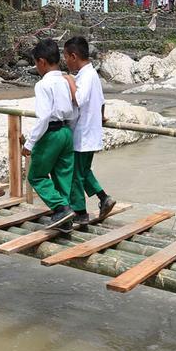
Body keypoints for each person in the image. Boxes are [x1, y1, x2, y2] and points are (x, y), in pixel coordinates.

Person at [23, 39, 77, 231]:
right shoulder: (64, 81)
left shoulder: (43, 85)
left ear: (42, 62)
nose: (36, 67)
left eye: (36, 63)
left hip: (51, 133)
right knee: (63, 175)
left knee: (36, 176)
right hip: (66, 132)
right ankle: (66, 217)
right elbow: (73, 108)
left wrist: (29, 143)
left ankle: (60, 209)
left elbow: (44, 116)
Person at [63, 36, 115, 227]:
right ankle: (103, 198)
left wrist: (68, 79)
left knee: (76, 174)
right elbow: (101, 102)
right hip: (90, 132)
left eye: (66, 57)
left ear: (74, 56)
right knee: (83, 171)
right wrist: (100, 118)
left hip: (82, 134)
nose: (66, 61)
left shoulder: (85, 76)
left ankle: (80, 212)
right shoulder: (91, 74)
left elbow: (79, 98)